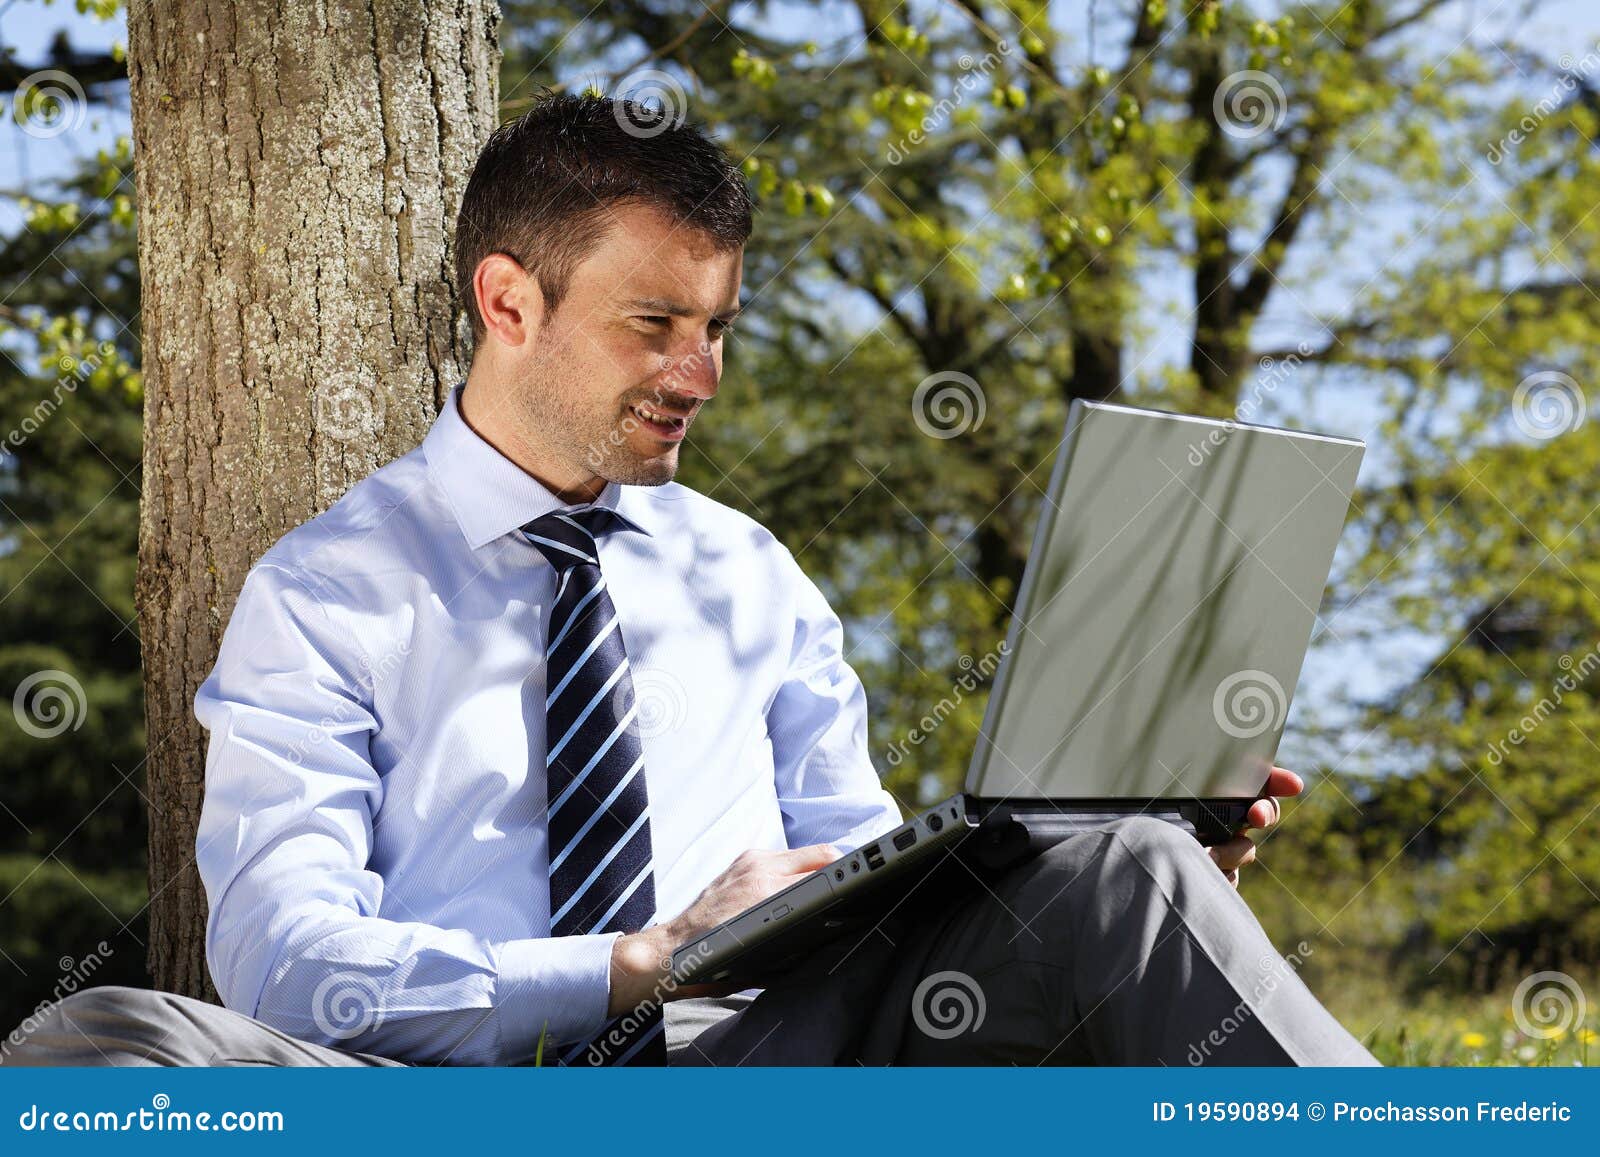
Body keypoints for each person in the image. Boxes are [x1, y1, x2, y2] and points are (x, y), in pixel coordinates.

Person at [4, 93, 1375, 1068]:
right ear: (508, 302)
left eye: (717, 326)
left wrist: (1114, 855)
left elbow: (876, 884)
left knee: (1126, 870)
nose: (700, 375)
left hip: (756, 1069)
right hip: (443, 1096)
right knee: (96, 1047)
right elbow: (283, 955)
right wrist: (628, 963)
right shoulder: (325, 592)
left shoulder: (752, 573)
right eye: (654, 324)